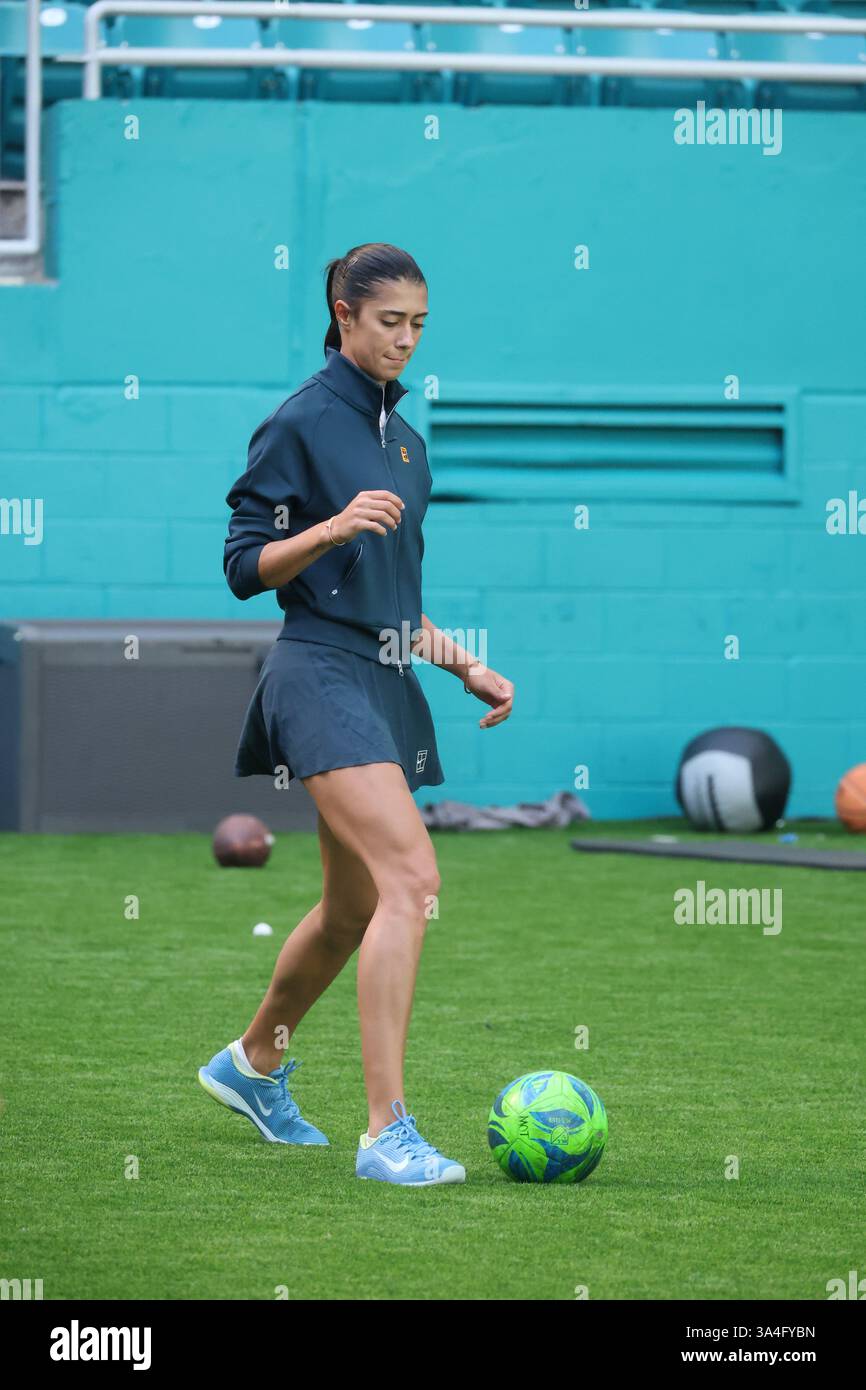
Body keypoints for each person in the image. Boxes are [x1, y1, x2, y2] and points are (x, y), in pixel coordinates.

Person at [198, 242, 515, 1186]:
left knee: (353, 907)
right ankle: (388, 1132)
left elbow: (394, 602)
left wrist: (468, 667)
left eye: (419, 324)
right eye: (390, 321)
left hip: (386, 678)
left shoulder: (408, 445)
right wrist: (326, 527)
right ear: (343, 313)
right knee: (413, 879)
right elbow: (243, 566)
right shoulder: (298, 421)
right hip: (316, 676)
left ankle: (252, 1064)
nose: (406, 340)